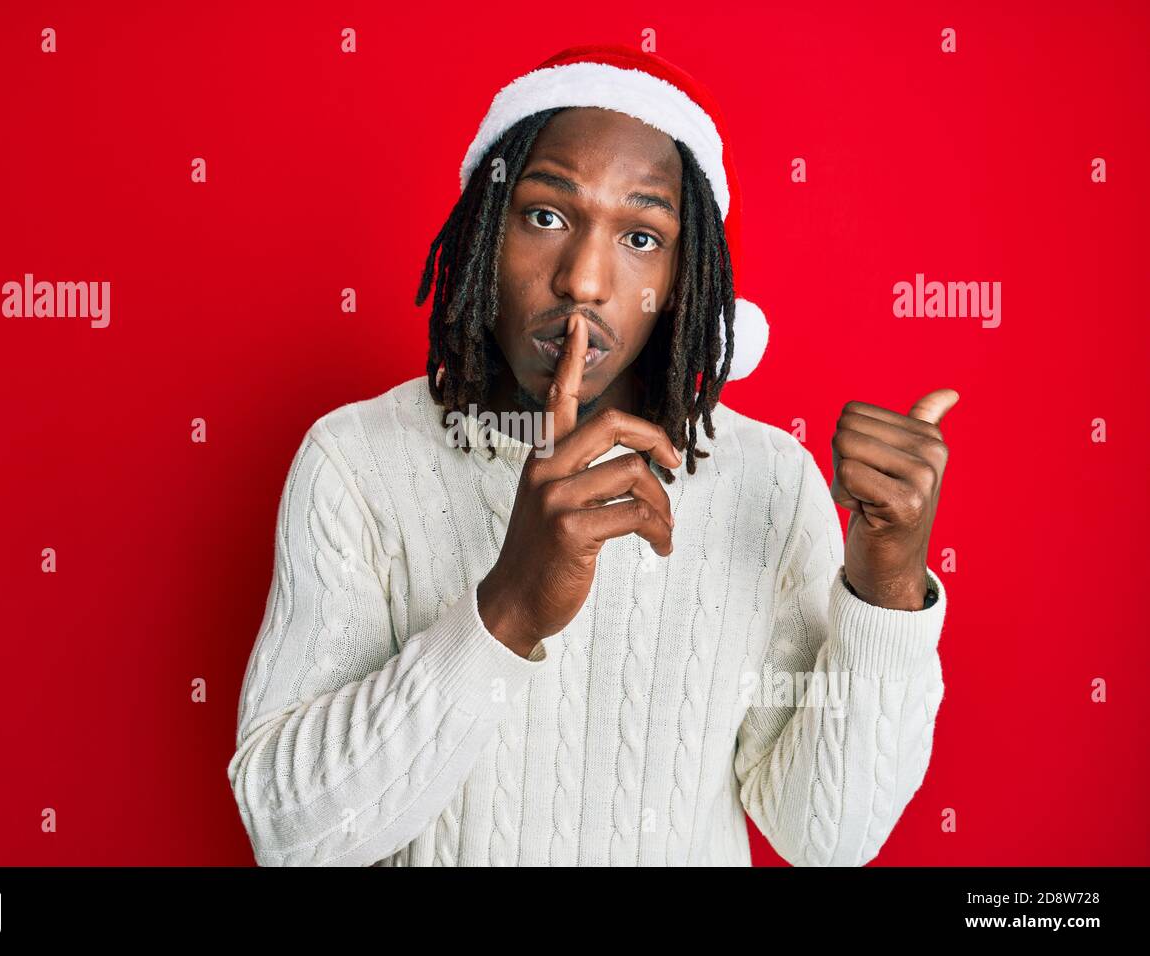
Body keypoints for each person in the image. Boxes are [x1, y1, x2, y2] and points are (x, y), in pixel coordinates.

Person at [228, 43, 955, 867]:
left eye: (642, 235)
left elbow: (828, 838)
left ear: (686, 279)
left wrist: (887, 585)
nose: (584, 279)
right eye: (546, 215)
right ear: (481, 234)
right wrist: (508, 609)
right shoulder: (355, 463)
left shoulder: (768, 482)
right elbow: (291, 836)